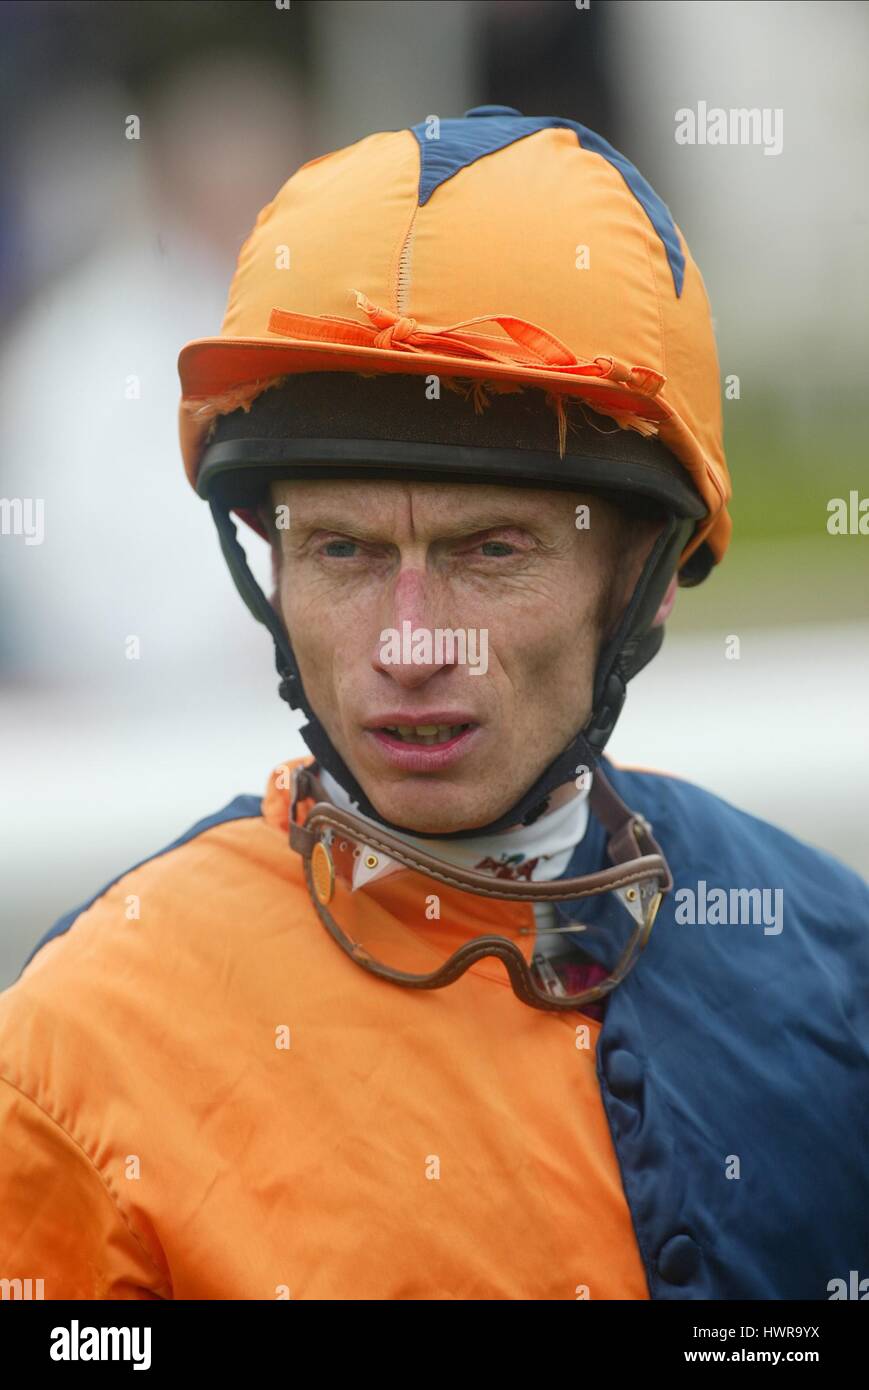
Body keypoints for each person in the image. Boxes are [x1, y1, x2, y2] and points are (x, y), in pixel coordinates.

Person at [0, 108, 866, 1302]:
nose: (407, 645)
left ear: (650, 577)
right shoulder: (75, 1052)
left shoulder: (835, 964)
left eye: (491, 548)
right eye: (345, 551)